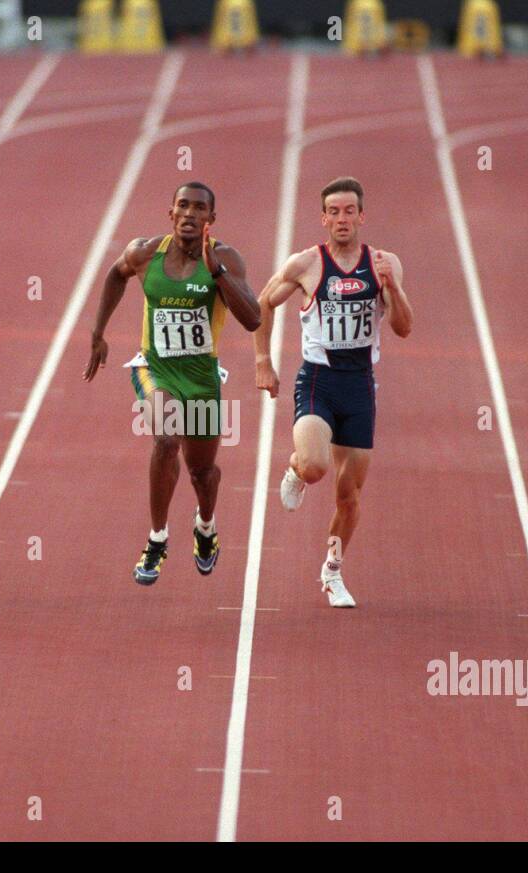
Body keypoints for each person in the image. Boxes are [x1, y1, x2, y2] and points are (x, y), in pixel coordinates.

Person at [83, 182, 261, 585]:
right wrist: (98, 332)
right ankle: (157, 538)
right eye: (183, 205)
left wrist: (217, 272)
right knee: (165, 439)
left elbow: (253, 319)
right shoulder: (146, 252)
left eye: (200, 208)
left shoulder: (226, 258)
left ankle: (205, 527)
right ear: (171, 213)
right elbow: (115, 274)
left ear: (211, 219)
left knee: (203, 473)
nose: (190, 214)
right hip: (155, 367)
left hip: (202, 377)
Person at [254, 177, 413, 607]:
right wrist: (263, 361)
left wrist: (391, 288)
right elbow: (264, 302)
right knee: (314, 466)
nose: (342, 219)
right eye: (334, 212)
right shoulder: (307, 264)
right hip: (318, 381)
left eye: (349, 211)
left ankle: (332, 571)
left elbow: (403, 328)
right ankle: (295, 469)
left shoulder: (384, 264)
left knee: (350, 496)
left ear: (362, 216)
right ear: (323, 218)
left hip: (360, 385)